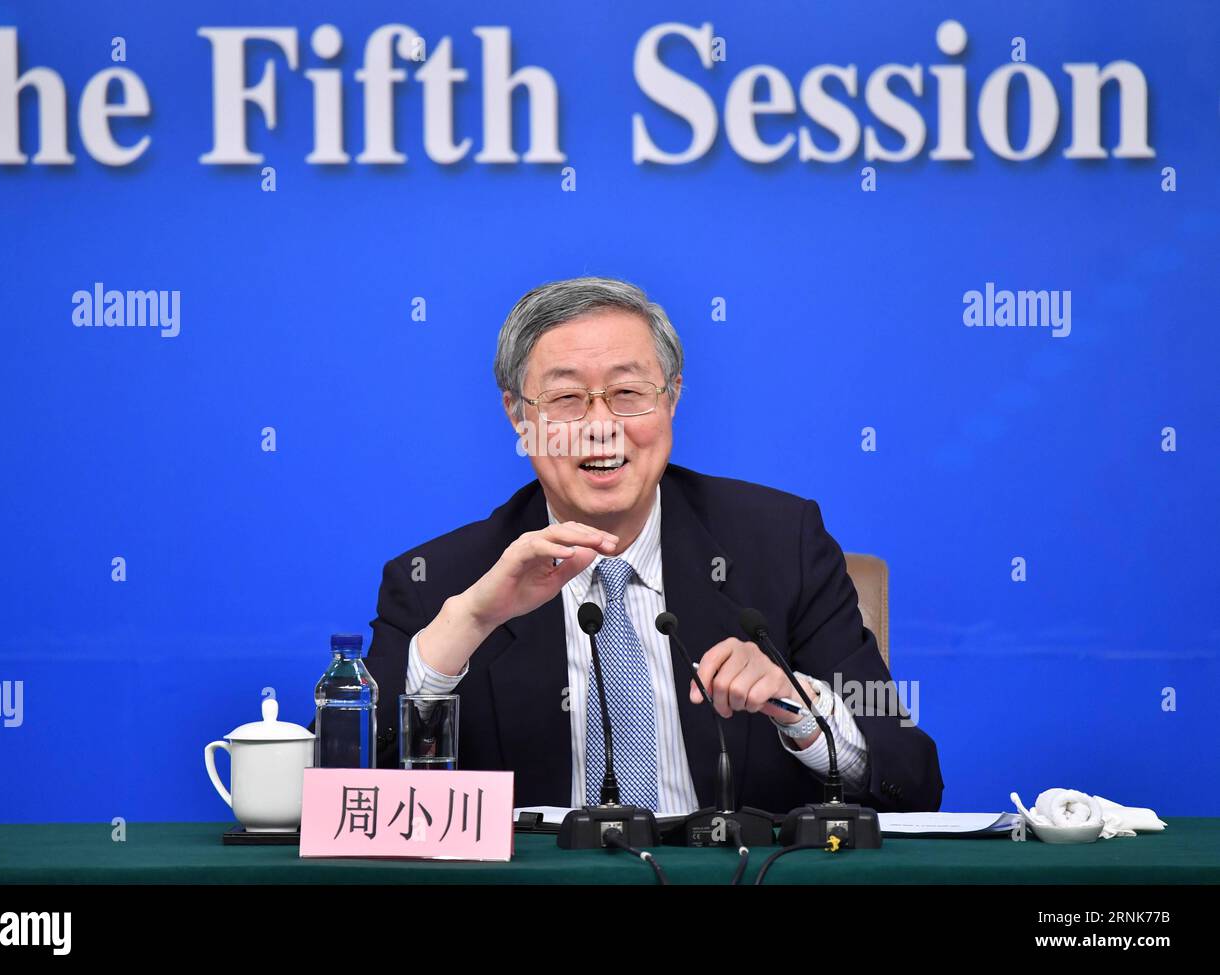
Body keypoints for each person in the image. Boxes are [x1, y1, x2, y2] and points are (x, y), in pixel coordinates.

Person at [364, 276, 942, 815]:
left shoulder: (781, 544)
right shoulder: (440, 580)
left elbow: (911, 782)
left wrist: (801, 710)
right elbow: (355, 791)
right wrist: (469, 621)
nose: (602, 425)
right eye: (566, 399)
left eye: (628, 392)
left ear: (671, 398)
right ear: (518, 414)